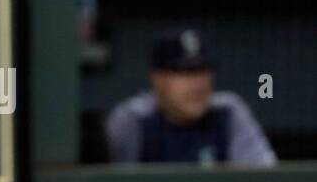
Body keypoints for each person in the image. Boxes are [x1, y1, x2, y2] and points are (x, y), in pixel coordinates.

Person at [106, 30, 277, 165]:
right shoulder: (133, 120)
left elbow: (264, 179)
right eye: (186, 73)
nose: (198, 84)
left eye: (203, 71)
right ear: (157, 79)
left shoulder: (228, 111)